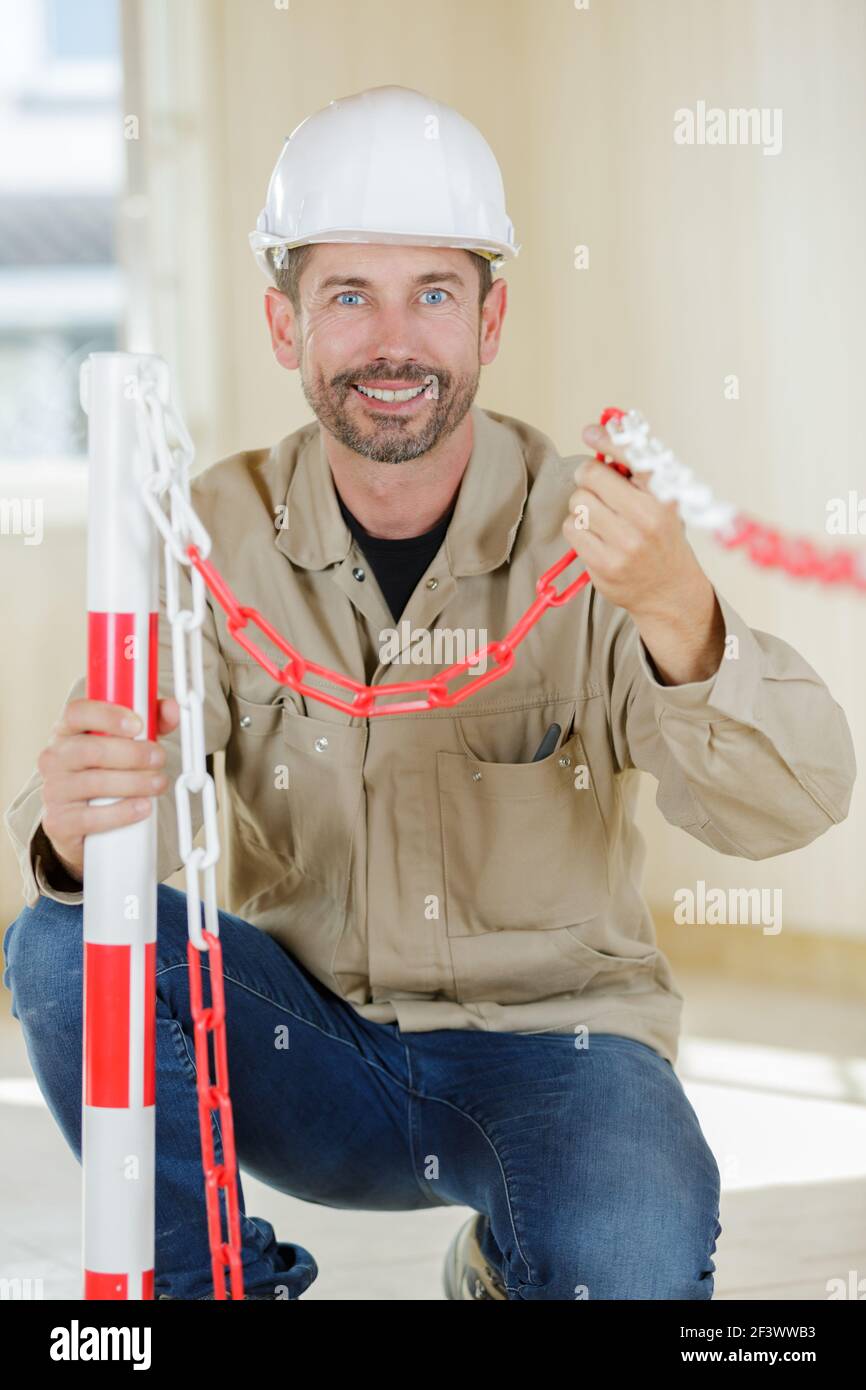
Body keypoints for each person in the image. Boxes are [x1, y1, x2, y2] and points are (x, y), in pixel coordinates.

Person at [3, 85, 856, 1301]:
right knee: (59, 943)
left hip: (561, 1053)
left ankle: (510, 1257)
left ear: (489, 319)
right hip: (311, 1051)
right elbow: (97, 809)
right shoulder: (207, 536)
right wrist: (73, 835)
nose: (393, 341)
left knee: (627, 1275)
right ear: (285, 324)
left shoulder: (592, 537)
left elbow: (793, 803)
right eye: (349, 295)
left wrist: (680, 610)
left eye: (434, 294)